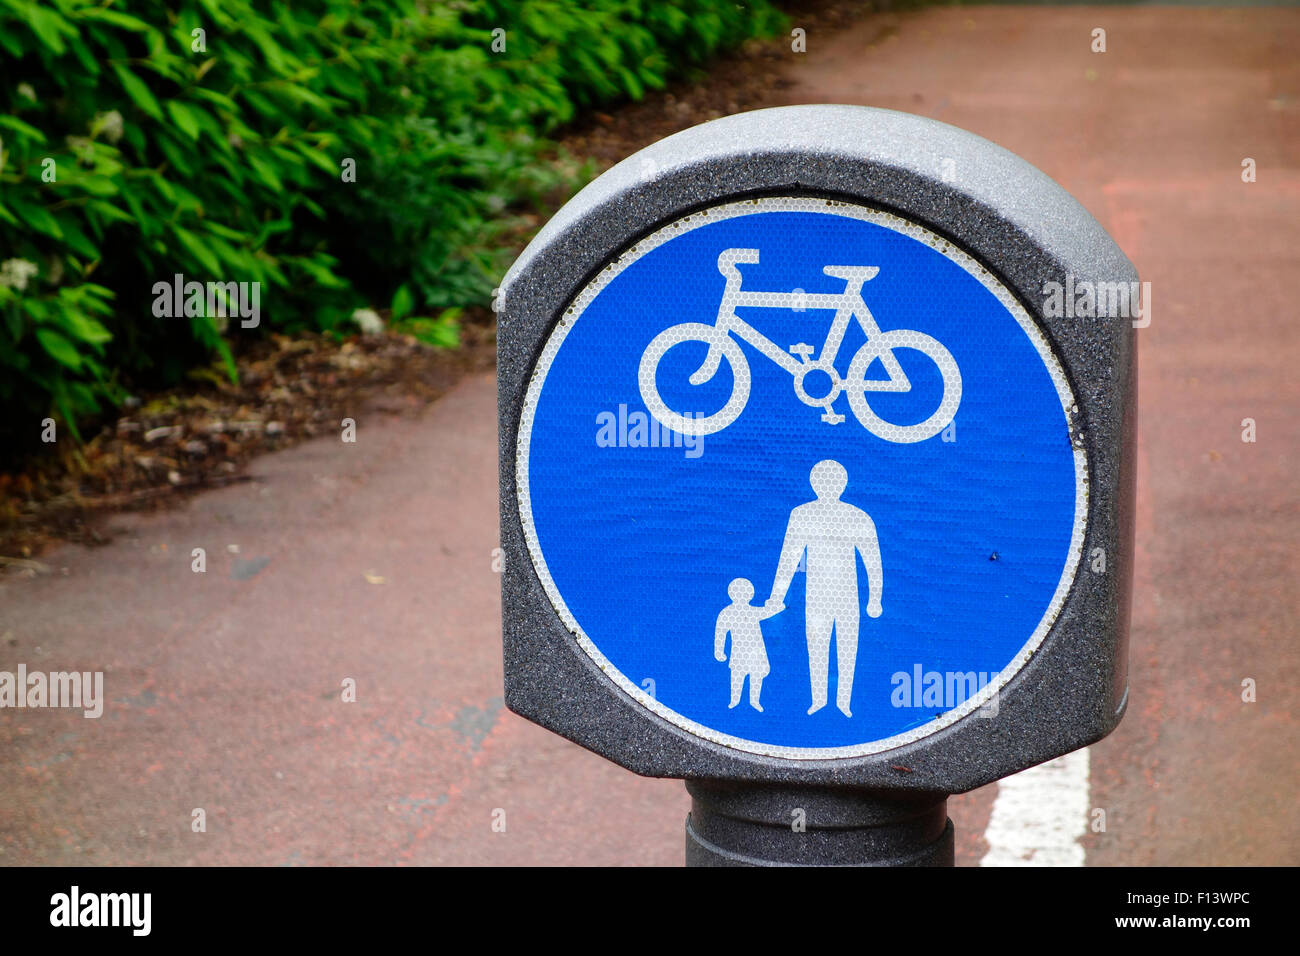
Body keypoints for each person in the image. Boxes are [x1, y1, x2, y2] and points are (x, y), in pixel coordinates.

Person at [766, 460, 883, 717]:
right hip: (816, 594)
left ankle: (844, 702)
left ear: (842, 484)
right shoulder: (802, 514)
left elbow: (872, 560)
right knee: (817, 647)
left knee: (847, 647)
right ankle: (818, 699)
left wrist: (875, 599)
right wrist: (776, 597)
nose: (827, 486)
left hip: (847, 596)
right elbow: (789, 558)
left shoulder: (857, 516)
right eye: (822, 481)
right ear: (814, 483)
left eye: (833, 481)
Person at [714, 578, 782, 711]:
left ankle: (755, 701)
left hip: (756, 652)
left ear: (750, 595)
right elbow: (720, 633)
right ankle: (734, 700)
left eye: (746, 593)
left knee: (756, 676)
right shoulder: (726, 613)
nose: (742, 596)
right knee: (737, 676)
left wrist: (778, 607)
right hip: (738, 652)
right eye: (738, 593)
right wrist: (719, 651)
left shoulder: (752, 611)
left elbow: (766, 612)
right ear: (732, 594)